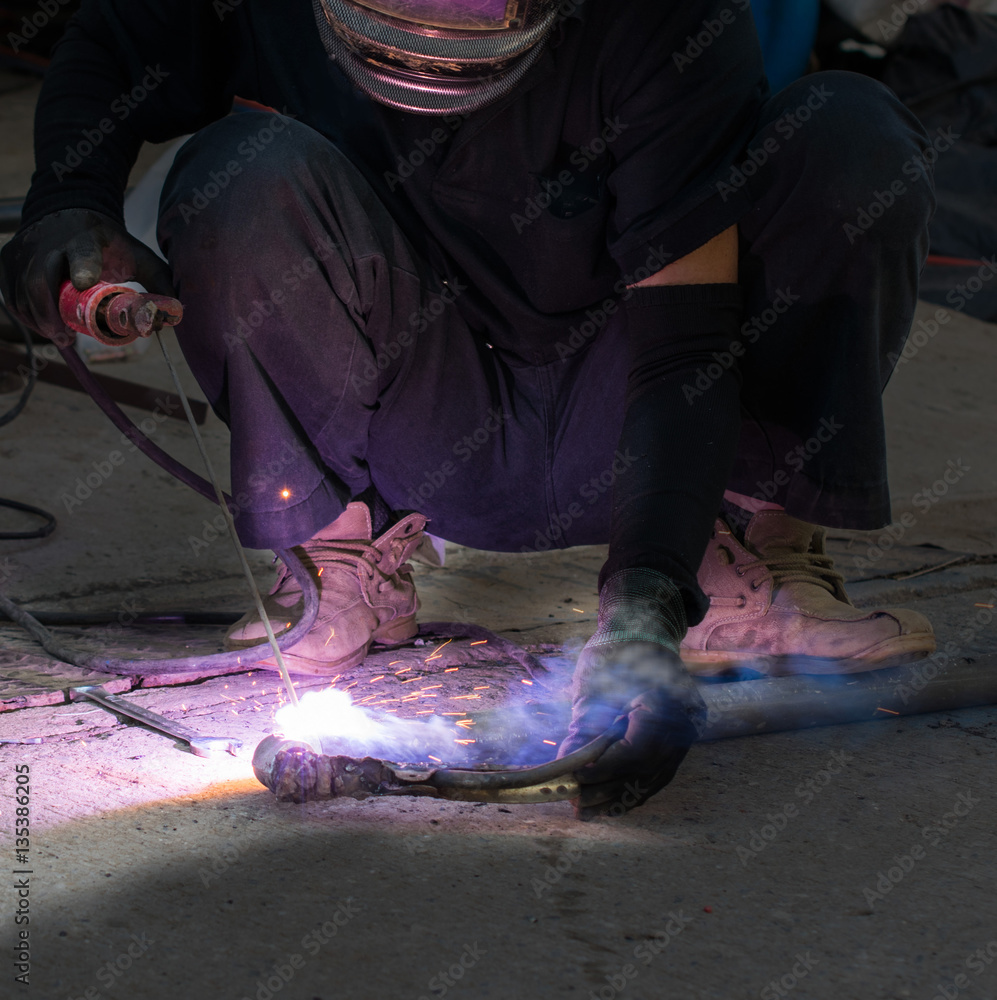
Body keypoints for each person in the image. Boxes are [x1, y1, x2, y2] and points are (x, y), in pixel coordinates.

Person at [0, 0, 936, 819]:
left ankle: (732, 549)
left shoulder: (663, 18)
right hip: (418, 405)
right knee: (237, 170)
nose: (428, 58)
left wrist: (646, 602)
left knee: (848, 139)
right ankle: (335, 549)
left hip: (636, 418)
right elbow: (119, 42)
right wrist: (66, 203)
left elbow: (687, 345)